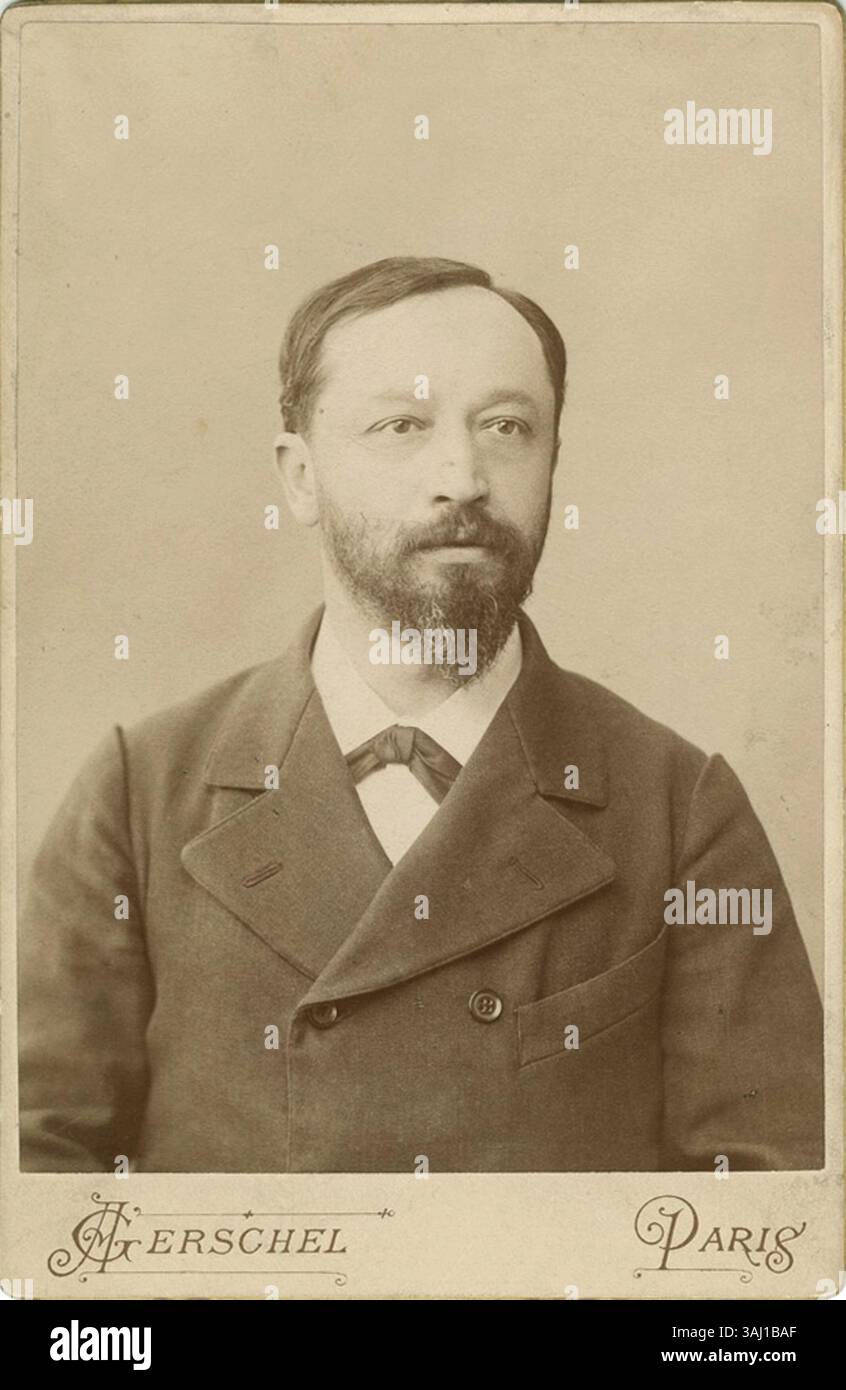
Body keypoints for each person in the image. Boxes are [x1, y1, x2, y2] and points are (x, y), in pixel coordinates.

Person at [18, 256, 824, 1173]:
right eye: (402, 424)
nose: (464, 477)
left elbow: (766, 1215)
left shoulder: (680, 809)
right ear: (300, 478)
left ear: (553, 462)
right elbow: (39, 1181)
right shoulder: (138, 793)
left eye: (507, 427)